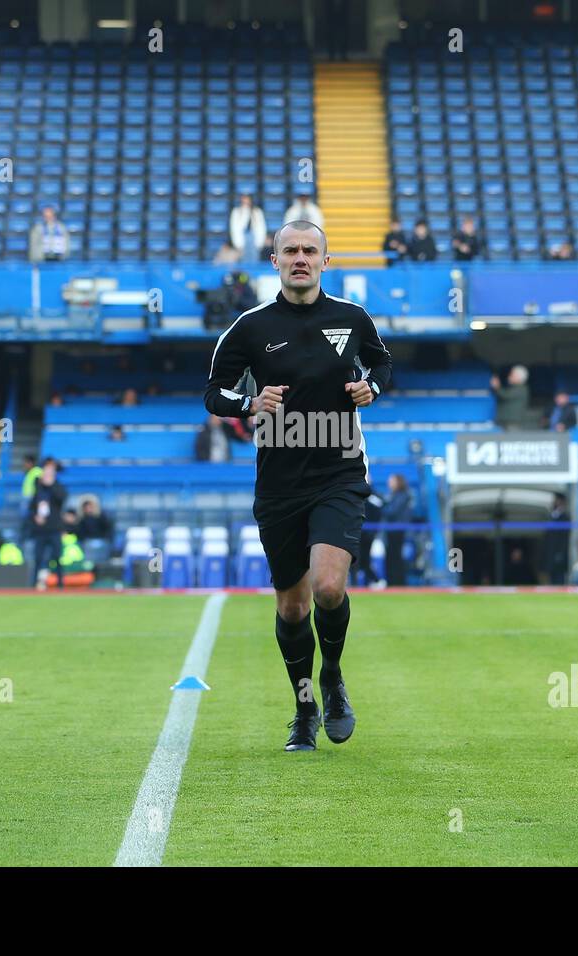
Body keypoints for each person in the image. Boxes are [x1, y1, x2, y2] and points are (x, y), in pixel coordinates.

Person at [204, 219, 392, 752]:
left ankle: (332, 677)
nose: (301, 258)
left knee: (328, 587)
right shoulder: (248, 327)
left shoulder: (352, 318)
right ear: (275, 261)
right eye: (291, 250)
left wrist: (372, 387)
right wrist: (250, 403)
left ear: (326, 261)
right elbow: (214, 393)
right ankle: (304, 708)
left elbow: (383, 364)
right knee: (292, 607)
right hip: (280, 484)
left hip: (339, 473)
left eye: (311, 250)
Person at [27, 460, 67, 590]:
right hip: (40, 530)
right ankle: (34, 583)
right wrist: (36, 517)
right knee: (38, 557)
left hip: (54, 528)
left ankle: (60, 583)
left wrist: (51, 485)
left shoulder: (58, 487)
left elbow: (62, 498)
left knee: (57, 556)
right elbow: (31, 507)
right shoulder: (38, 489)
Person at [382, 472, 413, 587]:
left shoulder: (402, 495)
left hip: (397, 531)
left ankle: (397, 583)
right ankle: (392, 582)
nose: (389, 483)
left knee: (395, 558)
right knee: (391, 557)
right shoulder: (395, 495)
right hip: (392, 531)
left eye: (391, 481)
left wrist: (382, 506)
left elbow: (392, 511)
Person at [229, 194, 267, 265]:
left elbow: (261, 228)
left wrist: (260, 242)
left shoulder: (257, 211)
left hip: (254, 239)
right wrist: (237, 243)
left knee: (254, 259)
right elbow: (234, 229)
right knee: (242, 260)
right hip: (242, 239)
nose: (246, 202)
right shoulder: (236, 212)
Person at [542, 492, 571, 585]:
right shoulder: (552, 516)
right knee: (552, 578)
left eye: (557, 500)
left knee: (559, 578)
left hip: (559, 553)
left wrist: (561, 553)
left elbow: (564, 538)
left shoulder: (565, 517)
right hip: (551, 553)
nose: (555, 502)